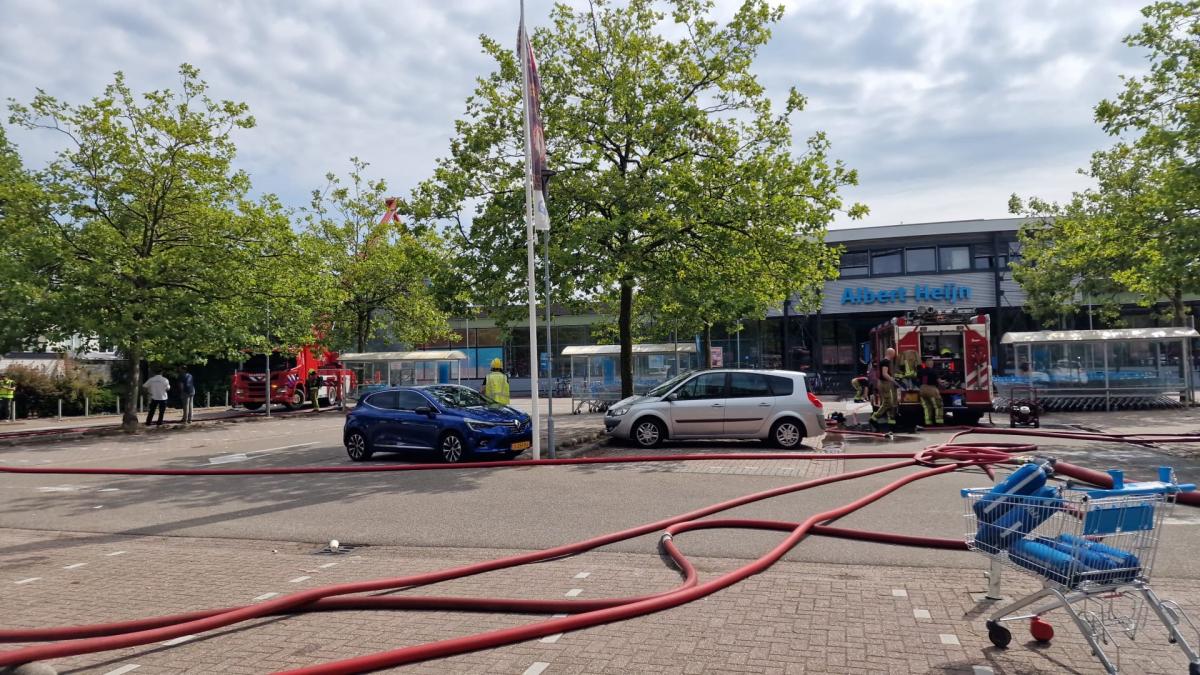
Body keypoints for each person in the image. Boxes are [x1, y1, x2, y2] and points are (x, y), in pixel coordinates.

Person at [869, 347, 898, 431]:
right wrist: (893, 380)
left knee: (890, 403)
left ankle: (891, 422)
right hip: (885, 383)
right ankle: (874, 418)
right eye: (894, 353)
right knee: (887, 402)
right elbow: (885, 374)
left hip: (884, 383)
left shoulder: (884, 361)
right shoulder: (886, 362)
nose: (894, 355)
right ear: (891, 353)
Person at [916, 356, 944, 426]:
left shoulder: (921, 371)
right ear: (930, 363)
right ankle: (939, 422)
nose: (931, 362)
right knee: (938, 406)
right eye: (931, 361)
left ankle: (928, 422)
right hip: (931, 389)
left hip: (922, 390)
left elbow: (917, 380)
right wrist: (944, 383)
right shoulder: (934, 371)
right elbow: (939, 381)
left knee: (927, 407)